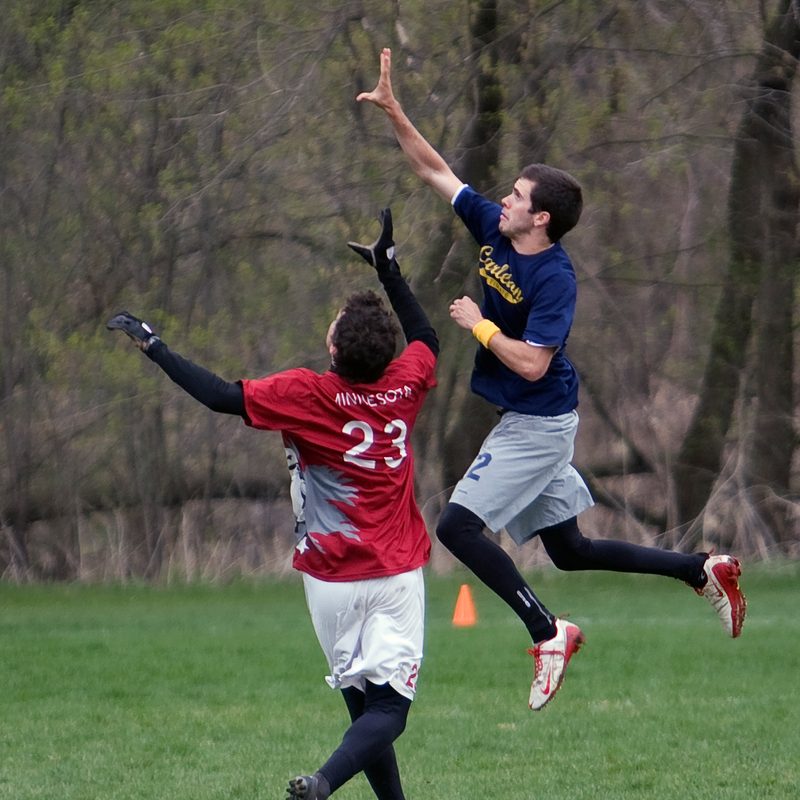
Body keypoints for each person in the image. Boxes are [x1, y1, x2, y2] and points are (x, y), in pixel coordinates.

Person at [356, 48, 747, 711]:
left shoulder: (555, 279)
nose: (503, 200)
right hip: (531, 416)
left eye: (516, 196)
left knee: (455, 528)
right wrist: (394, 110)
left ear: (540, 218)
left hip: (539, 422)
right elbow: (433, 169)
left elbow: (534, 363)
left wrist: (480, 325)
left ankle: (547, 633)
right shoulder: (495, 229)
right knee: (569, 548)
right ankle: (700, 569)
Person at [107, 209, 438, 800]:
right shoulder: (405, 383)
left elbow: (218, 396)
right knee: (388, 712)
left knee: (363, 710)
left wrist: (154, 345)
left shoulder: (306, 393)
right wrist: (389, 269)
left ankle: (336, 787)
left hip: (330, 580)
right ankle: (323, 783)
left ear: (333, 347)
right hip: (395, 574)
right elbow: (427, 339)